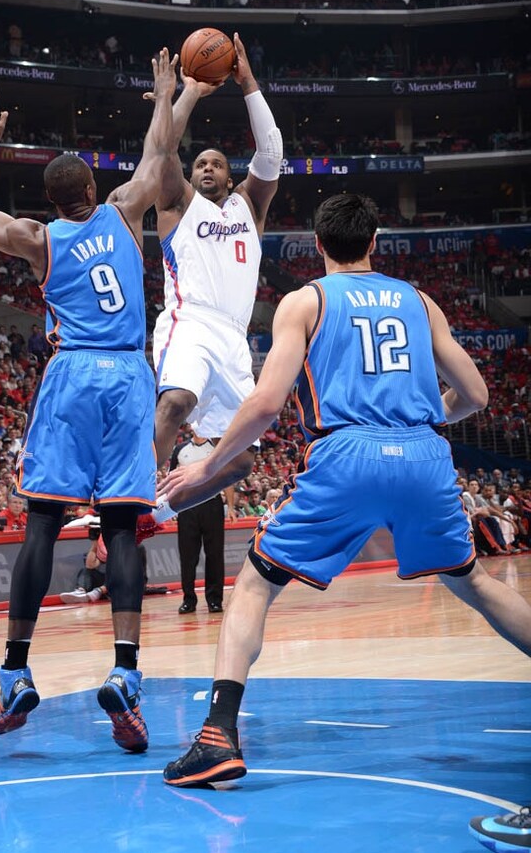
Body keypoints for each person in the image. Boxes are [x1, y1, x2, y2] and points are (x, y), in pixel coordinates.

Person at [159, 192, 531, 788]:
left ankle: (218, 736)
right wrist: (417, 420)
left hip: (346, 454)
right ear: (374, 241)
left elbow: (266, 403)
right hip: (423, 452)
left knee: (254, 584)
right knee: (475, 584)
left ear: (317, 243)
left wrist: (206, 469)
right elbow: (477, 395)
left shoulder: (305, 301)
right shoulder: (420, 301)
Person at [0, 48, 178, 747]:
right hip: (128, 376)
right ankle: (124, 671)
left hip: (72, 377)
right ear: (92, 185)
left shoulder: (39, 239)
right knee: (120, 527)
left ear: (53, 202)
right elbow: (157, 157)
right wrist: (165, 96)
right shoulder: (124, 210)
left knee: (41, 524)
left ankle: (15, 670)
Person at [149, 31, 282, 521]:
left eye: (217, 164)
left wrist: (248, 83)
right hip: (190, 322)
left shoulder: (250, 206)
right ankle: (128, 498)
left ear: (230, 176)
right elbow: (163, 152)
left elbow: (272, 152)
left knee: (240, 461)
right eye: (200, 163)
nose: (207, 168)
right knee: (176, 402)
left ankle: (156, 513)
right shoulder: (177, 204)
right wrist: (186, 94)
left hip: (234, 338)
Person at [171, 433, 226, 615]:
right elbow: (172, 479)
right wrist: (170, 507)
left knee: (215, 554)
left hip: (212, 503)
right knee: (188, 556)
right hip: (187, 506)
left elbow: (227, 475)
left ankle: (215, 600)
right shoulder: (180, 450)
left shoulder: (216, 447)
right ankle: (188, 599)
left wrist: (232, 506)